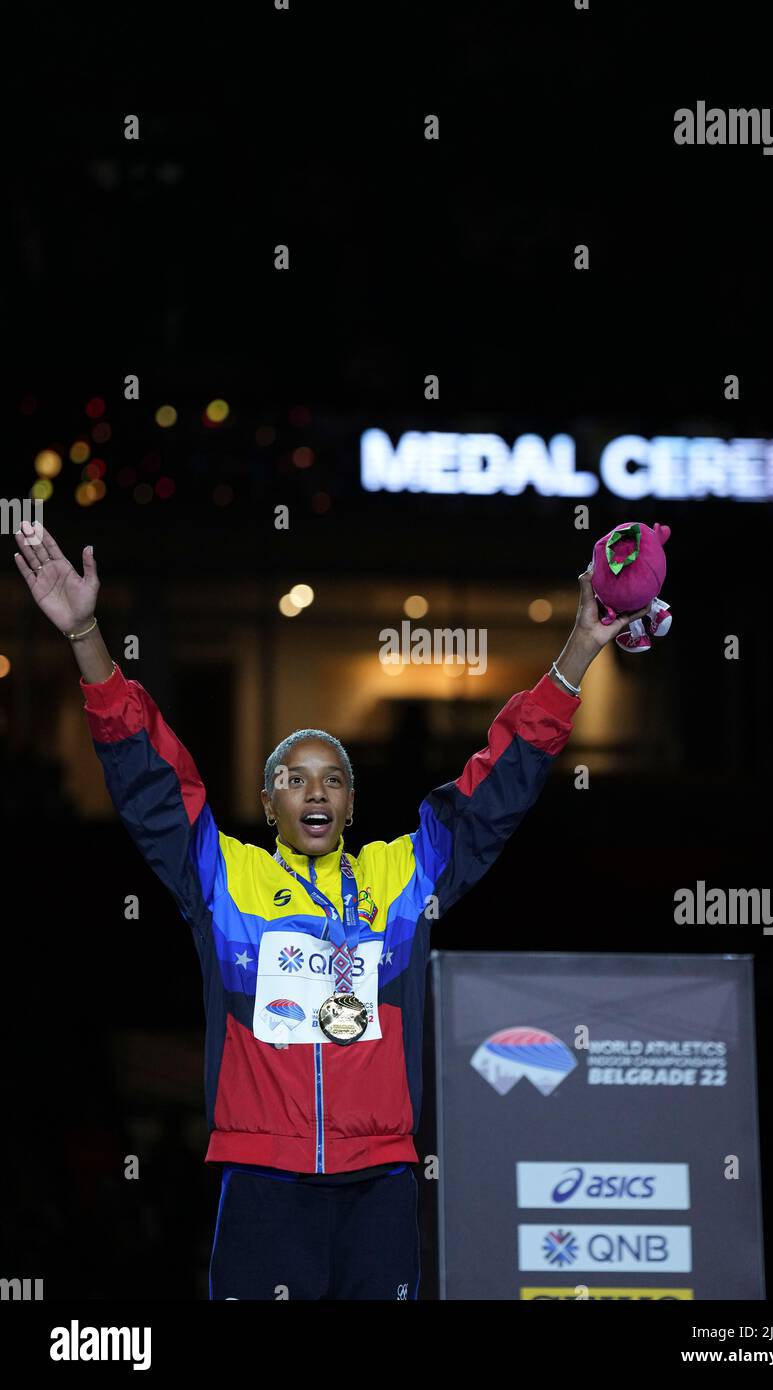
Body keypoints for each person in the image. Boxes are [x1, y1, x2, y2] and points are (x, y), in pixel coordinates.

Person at [14, 519, 650, 1300]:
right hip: (261, 1181)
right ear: (268, 801)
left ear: (349, 806)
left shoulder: (400, 877)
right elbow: (149, 785)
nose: (315, 788)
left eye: (333, 779)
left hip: (379, 1182)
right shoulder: (225, 878)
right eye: (294, 777)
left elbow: (495, 795)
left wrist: (580, 648)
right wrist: (85, 635)